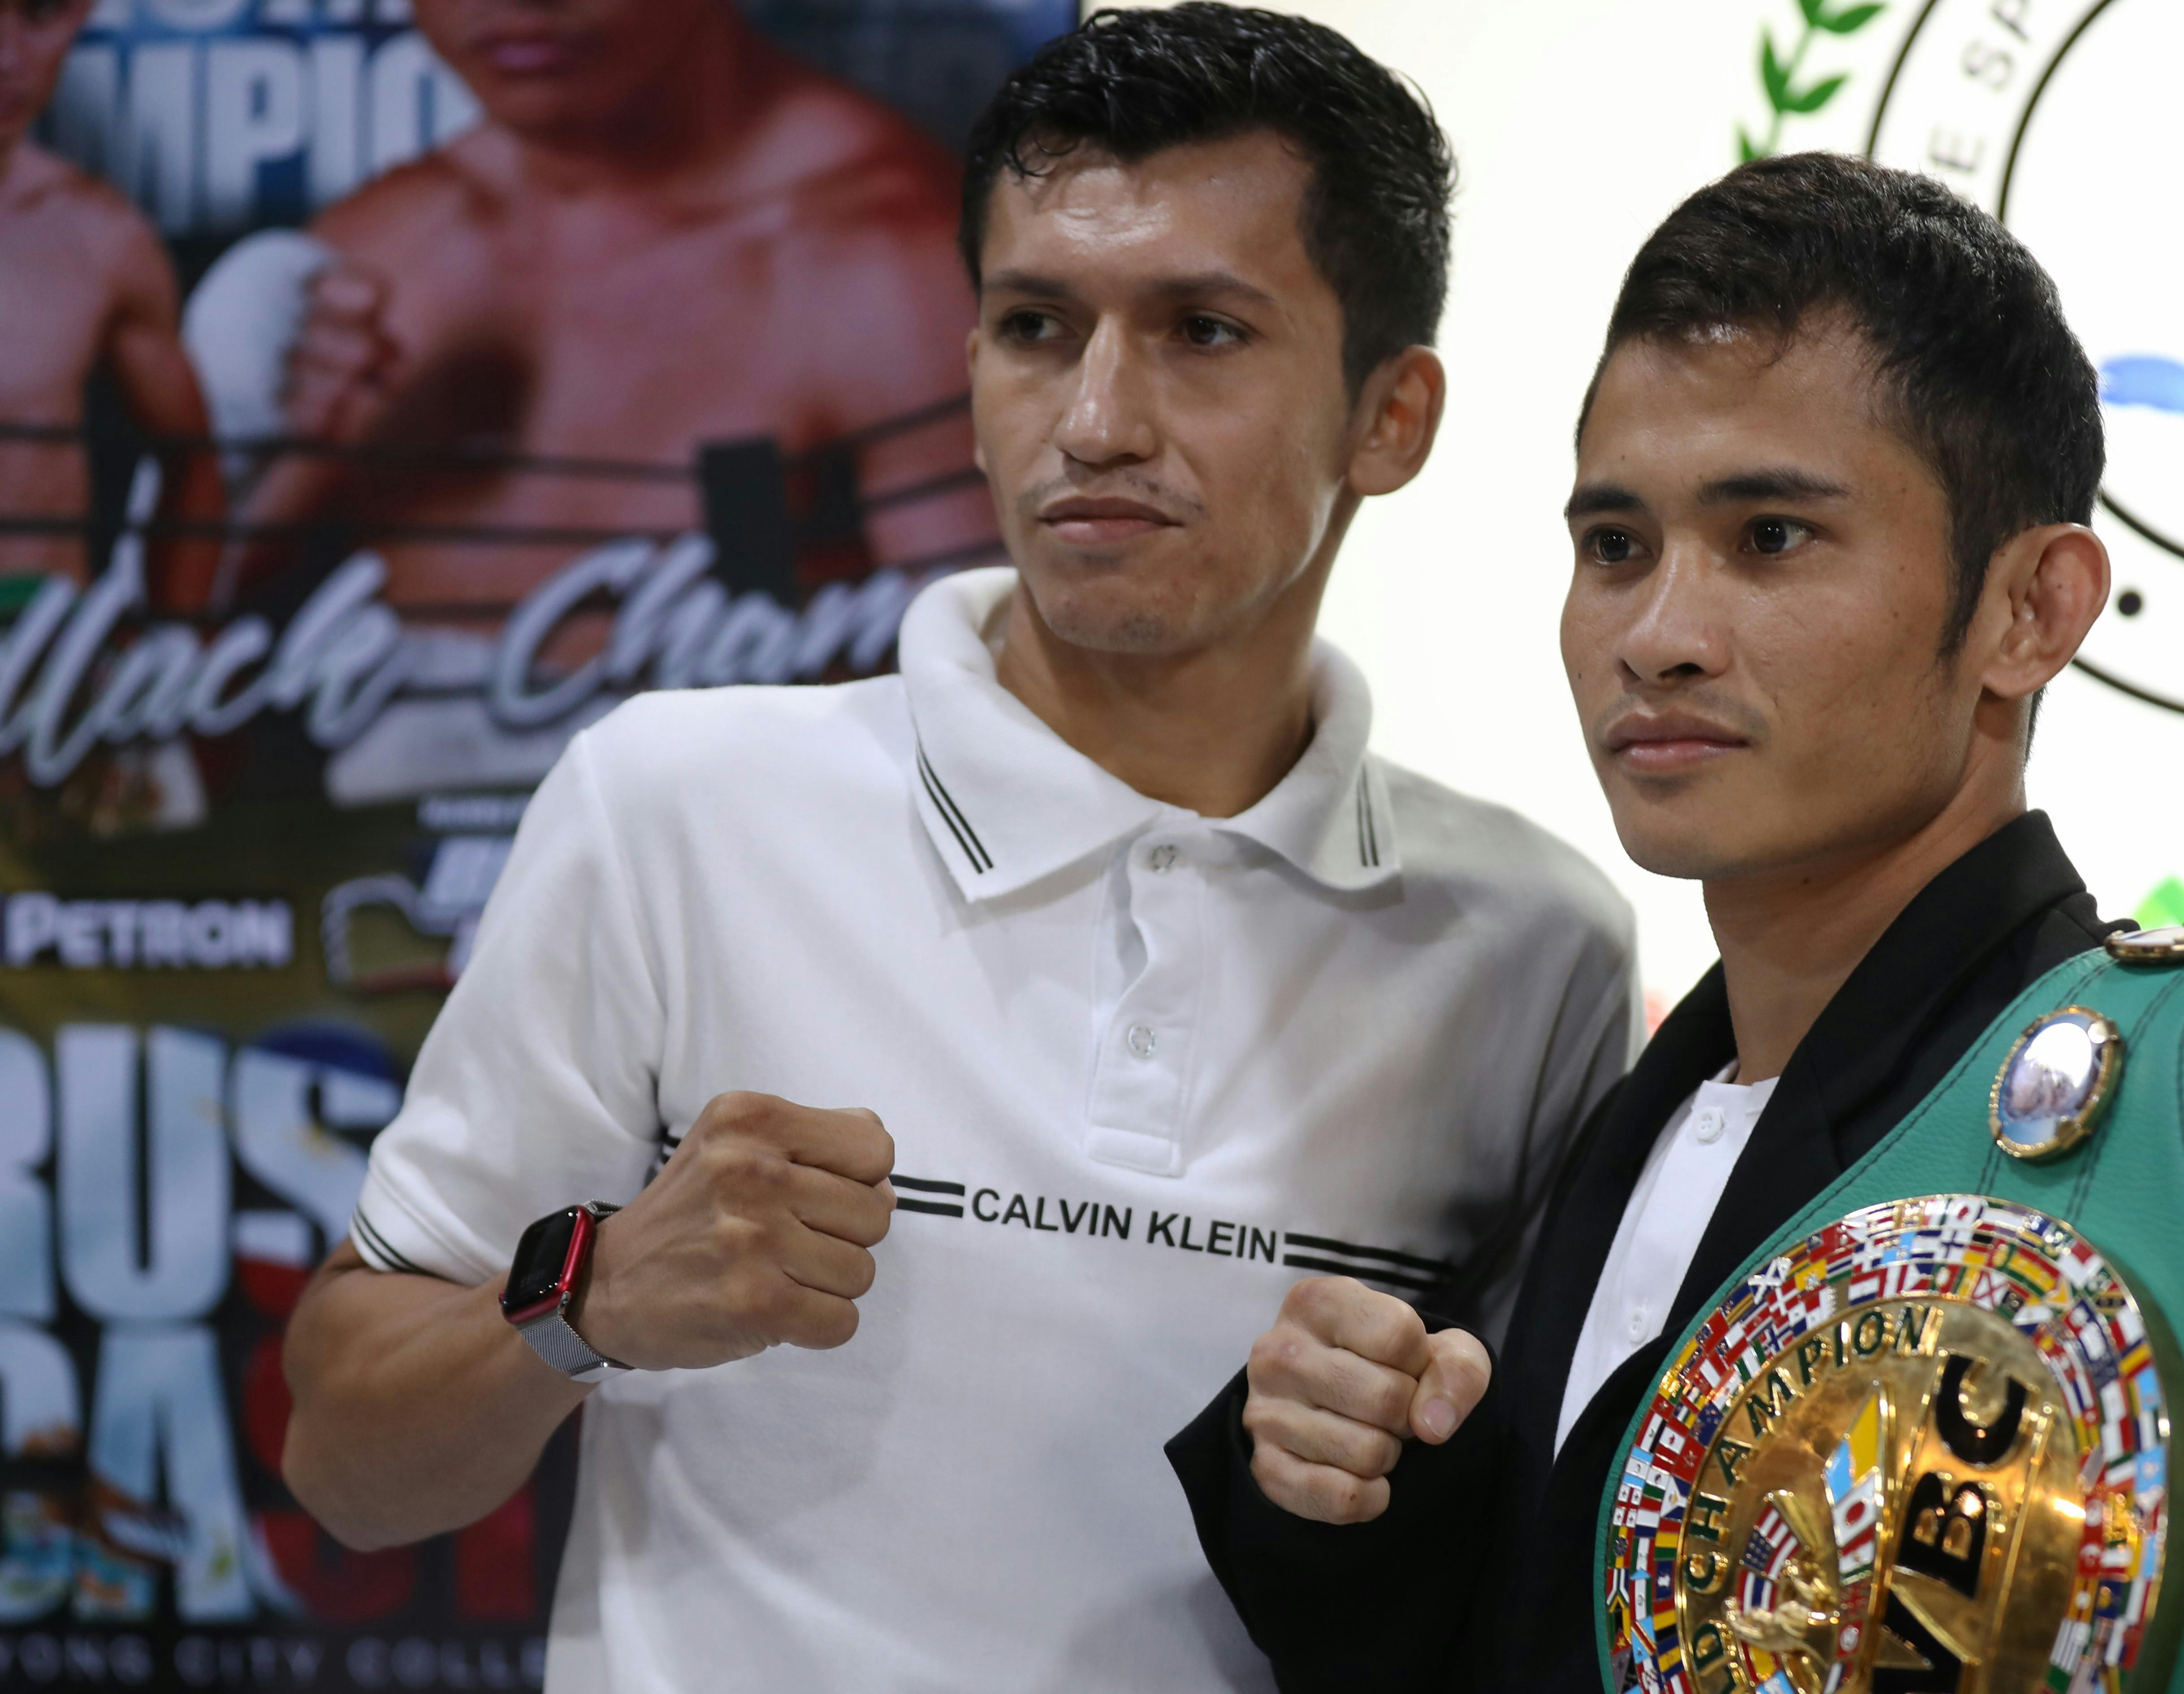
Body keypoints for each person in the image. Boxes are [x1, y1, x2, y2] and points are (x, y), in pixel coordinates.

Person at [279, 9, 1635, 1690]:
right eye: (1032, 325)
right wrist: (595, 1294)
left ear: (1392, 416)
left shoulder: (1532, 946)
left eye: (1202, 330)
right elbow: (343, 1457)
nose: (1094, 417)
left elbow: (1512, 1581)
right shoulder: (675, 806)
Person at [1172, 153, 2184, 1693]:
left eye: (1772, 537)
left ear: (2029, 611)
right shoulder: (1642, 1125)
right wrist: (1353, 1494)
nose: (1658, 636)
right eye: (1615, 546)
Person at [173, 0, 997, 795]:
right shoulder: (367, 268)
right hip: (392, 926)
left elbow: (1000, 769)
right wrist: (255, 502)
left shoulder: (889, 269)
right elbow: (139, 798)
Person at [0, 0, 218, 592]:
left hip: (34, 646)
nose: (5, 58)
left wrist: (173, 649)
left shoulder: (100, 239)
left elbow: (192, 465)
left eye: (40, 15)